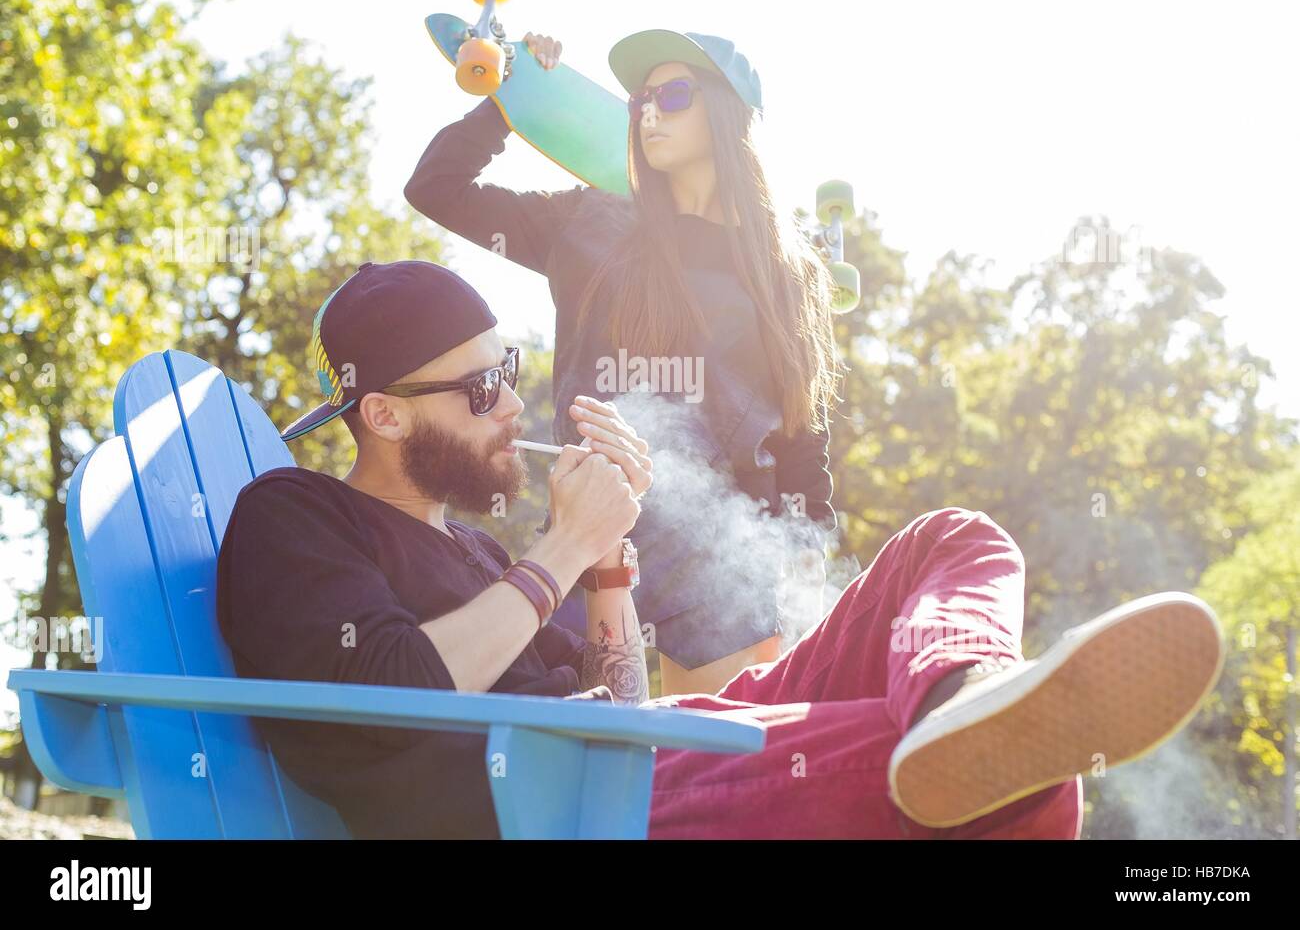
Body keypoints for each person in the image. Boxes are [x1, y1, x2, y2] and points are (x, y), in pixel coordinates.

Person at [216, 259, 1226, 839]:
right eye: (480, 387)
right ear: (384, 413)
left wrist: (609, 564)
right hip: (558, 807)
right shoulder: (295, 517)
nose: (512, 402)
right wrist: (563, 547)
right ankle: (955, 734)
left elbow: (613, 700)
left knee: (947, 541)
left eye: (509, 369)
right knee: (1015, 786)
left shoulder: (476, 556)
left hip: (633, 746)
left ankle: (956, 693)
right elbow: (396, 693)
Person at [403, 29, 842, 695]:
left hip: (725, 555)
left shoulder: (787, 269)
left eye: (674, 94)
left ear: (729, 114)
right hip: (590, 533)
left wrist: (812, 578)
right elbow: (436, 189)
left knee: (715, 772)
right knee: (590, 764)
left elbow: (801, 440)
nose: (649, 112)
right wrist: (511, 97)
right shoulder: (588, 224)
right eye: (641, 98)